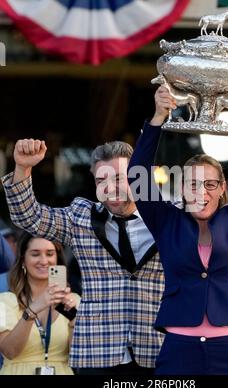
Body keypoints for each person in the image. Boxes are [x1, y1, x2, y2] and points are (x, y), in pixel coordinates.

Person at [128, 67, 228, 375]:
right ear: (182, 187)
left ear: (222, 187)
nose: (201, 192)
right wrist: (157, 118)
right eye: (193, 184)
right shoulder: (167, 221)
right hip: (180, 349)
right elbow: (137, 176)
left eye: (210, 184)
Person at [1, 140, 164, 375]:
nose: (110, 187)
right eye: (101, 180)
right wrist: (23, 168)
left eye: (119, 178)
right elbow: (29, 217)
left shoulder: (167, 217)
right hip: (99, 354)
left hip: (157, 348)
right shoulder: (81, 217)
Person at [0, 232, 78, 375]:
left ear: (57, 259)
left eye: (50, 254)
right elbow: (9, 351)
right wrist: (32, 310)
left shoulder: (74, 301)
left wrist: (73, 317)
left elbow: (79, 358)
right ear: (23, 260)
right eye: (35, 254)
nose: (43, 261)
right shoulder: (4, 301)